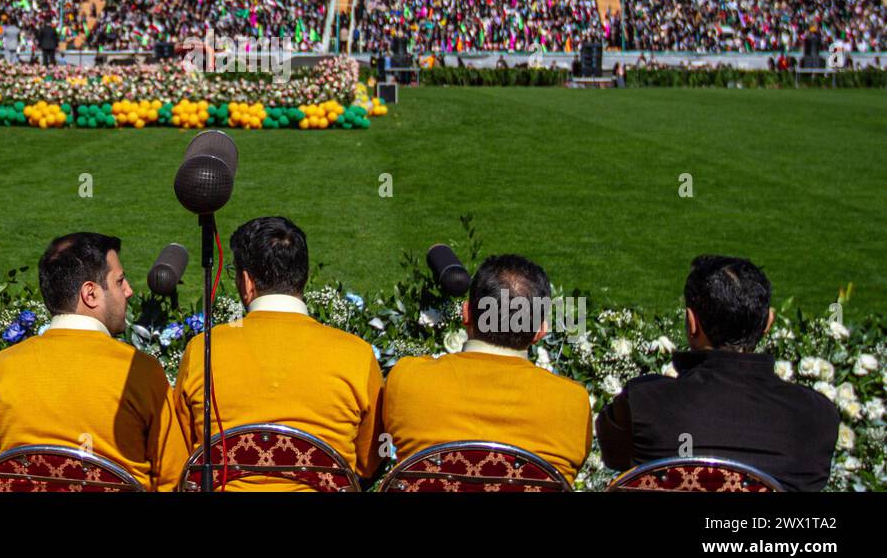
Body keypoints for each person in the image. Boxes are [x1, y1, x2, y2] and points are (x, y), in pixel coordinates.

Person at [172, 216, 384, 491]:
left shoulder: (203, 348)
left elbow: (183, 453)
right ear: (302, 276)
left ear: (247, 282)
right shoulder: (356, 354)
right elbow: (369, 461)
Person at [597, 255, 839, 492]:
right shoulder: (816, 416)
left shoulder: (645, 401)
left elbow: (615, 457)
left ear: (692, 324)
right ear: (768, 323)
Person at [0, 233, 187, 490]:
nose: (129, 291)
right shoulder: (140, 370)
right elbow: (173, 478)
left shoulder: (4, 366)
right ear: (90, 293)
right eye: (120, 281)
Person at [383, 254, 592, 484]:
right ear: (540, 331)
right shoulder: (572, 402)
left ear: (466, 313)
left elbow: (372, 459)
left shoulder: (409, 379)